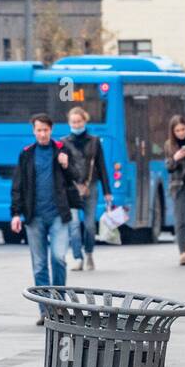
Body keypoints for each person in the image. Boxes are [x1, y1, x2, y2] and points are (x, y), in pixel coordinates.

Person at [11, 114, 80, 326]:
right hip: (34, 217)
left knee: (58, 258)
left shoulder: (62, 149)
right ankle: (45, 310)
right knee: (40, 265)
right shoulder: (26, 154)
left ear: (51, 130)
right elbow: (18, 185)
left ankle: (59, 305)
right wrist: (15, 213)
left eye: (45, 130)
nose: (42, 134)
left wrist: (66, 165)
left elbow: (77, 175)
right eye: (39, 130)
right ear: (34, 131)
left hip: (59, 214)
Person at [62, 106, 112, 272]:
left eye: (79, 121)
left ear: (85, 121)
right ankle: (78, 258)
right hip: (72, 189)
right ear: (69, 123)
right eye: (73, 122)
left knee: (90, 225)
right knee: (74, 225)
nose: (76, 125)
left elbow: (101, 167)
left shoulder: (94, 141)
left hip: (91, 187)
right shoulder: (63, 143)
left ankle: (89, 253)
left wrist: (107, 191)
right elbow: (61, 169)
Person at [164, 115, 185, 265]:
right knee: (180, 220)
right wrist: (176, 158)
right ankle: (182, 252)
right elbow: (168, 167)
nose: (181, 133)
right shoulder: (169, 145)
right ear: (173, 132)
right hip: (177, 186)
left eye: (183, 129)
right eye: (177, 130)